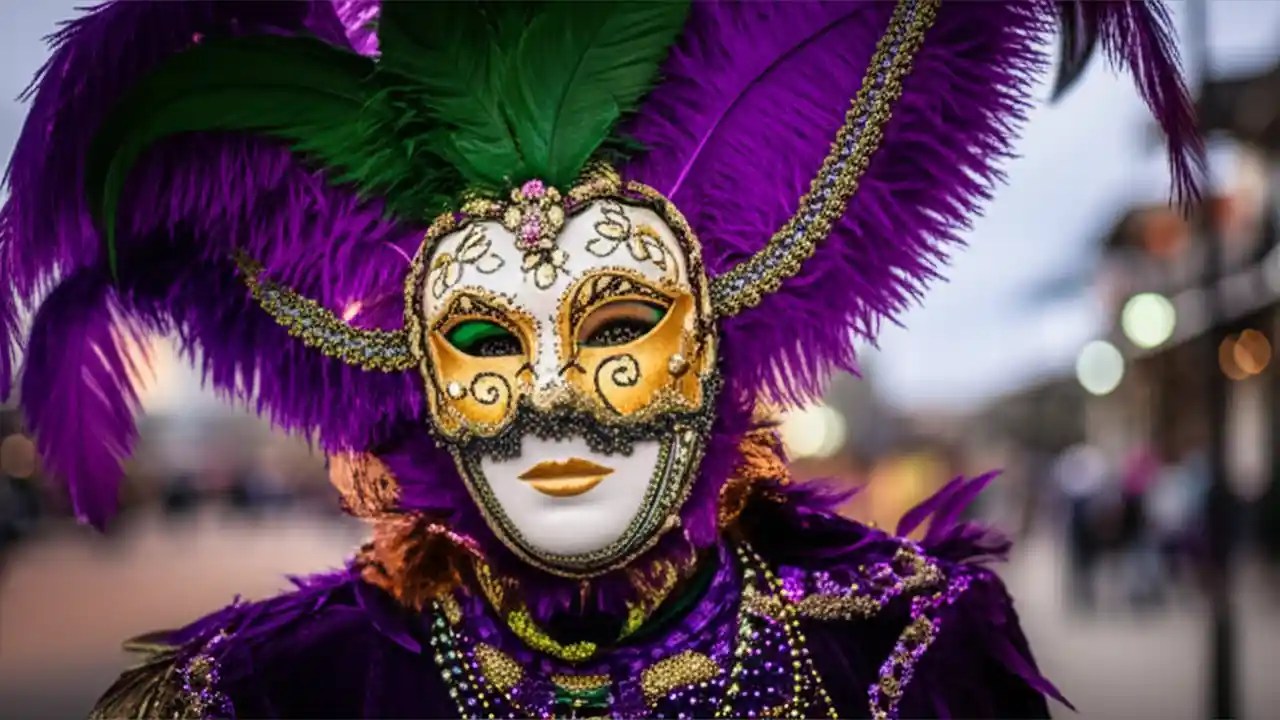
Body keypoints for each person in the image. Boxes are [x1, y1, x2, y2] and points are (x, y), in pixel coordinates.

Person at [0, 2, 1199, 718]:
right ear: (412, 374)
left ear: (712, 344)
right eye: (483, 340)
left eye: (617, 323)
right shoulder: (278, 695)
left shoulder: (896, 657)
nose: (553, 400)